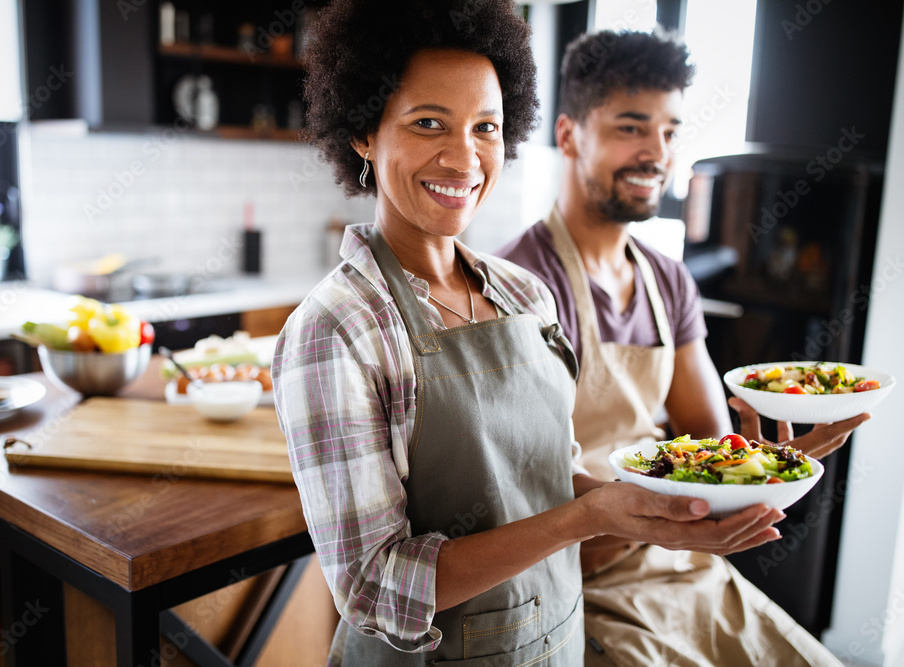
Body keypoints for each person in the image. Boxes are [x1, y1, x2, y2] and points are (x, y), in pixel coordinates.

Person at [273, 5, 786, 665]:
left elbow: (550, 476)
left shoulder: (524, 294)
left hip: (558, 642)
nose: (464, 157)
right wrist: (588, 519)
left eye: (485, 127)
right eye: (429, 122)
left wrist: (669, 510)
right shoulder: (336, 329)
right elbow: (374, 588)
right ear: (364, 134)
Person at [498, 29, 869, 666]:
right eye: (630, 128)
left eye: (669, 132)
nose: (655, 153)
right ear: (568, 135)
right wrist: (659, 510)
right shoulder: (522, 286)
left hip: (683, 566)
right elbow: (522, 488)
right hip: (573, 581)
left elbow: (708, 440)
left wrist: (760, 467)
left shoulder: (668, 281)